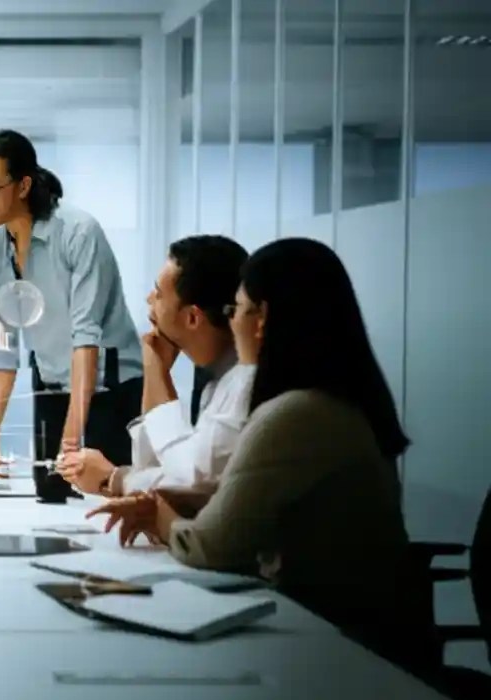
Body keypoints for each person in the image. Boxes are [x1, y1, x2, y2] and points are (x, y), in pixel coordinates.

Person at [87, 237, 425, 667]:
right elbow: (212, 498)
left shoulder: (293, 414)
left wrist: (154, 508)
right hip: (332, 630)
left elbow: (209, 543)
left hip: (336, 648)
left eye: (236, 310)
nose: (230, 322)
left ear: (261, 319)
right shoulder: (323, 403)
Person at [0, 129, 143, 503]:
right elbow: (2, 349)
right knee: (50, 494)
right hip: (51, 381)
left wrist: (70, 442)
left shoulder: (77, 232)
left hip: (109, 386)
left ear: (22, 185)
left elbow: (86, 338)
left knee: (107, 501)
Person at [60, 235, 253, 496]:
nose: (149, 299)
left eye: (159, 294)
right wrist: (155, 369)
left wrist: (114, 479)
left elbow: (191, 481)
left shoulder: (244, 384)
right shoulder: (216, 379)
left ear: (193, 317)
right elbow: (155, 467)